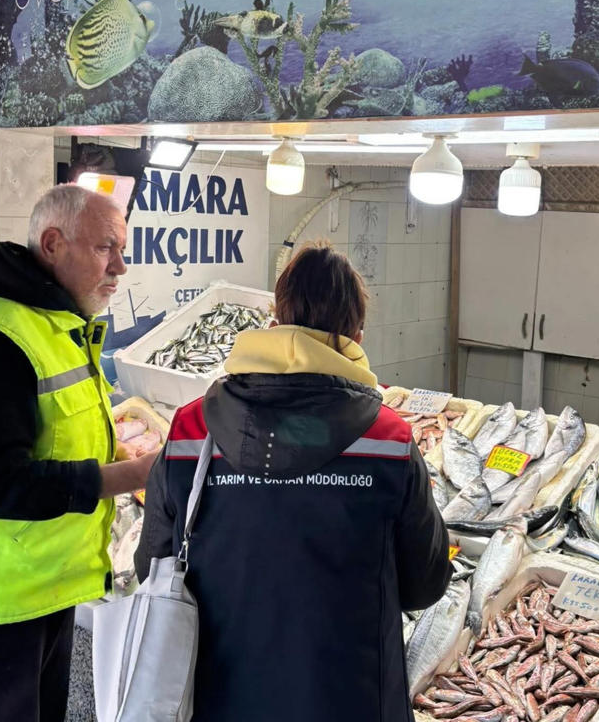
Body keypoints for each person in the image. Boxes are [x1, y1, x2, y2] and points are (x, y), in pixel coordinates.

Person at [135, 241, 451, 722]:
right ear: (356, 335)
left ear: (275, 320)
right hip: (349, 696)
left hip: (216, 696)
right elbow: (424, 585)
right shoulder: (388, 442)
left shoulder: (189, 431)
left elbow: (151, 567)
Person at [0, 184, 157, 722]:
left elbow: (50, 437)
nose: (120, 268)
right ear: (53, 243)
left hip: (41, 589)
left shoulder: (52, 325)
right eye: (106, 248)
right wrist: (131, 475)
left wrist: (112, 447)